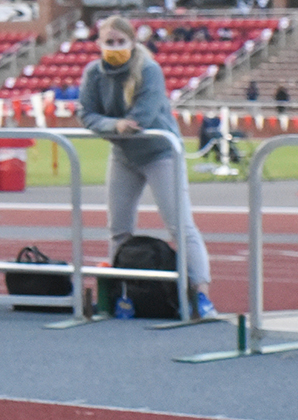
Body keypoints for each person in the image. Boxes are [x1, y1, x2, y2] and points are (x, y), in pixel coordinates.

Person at [78, 16, 217, 319]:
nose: (115, 47)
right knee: (118, 228)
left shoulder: (149, 71)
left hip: (160, 153)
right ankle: (121, 294)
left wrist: (114, 125)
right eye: (109, 42)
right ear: (99, 44)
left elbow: (141, 117)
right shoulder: (93, 73)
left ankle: (201, 294)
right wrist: (113, 124)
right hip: (123, 154)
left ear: (132, 42)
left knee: (179, 225)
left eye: (120, 42)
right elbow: (85, 113)